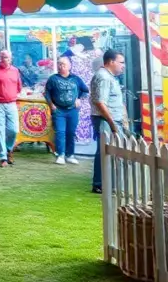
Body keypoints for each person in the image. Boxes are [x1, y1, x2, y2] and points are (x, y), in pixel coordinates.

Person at [90, 50, 129, 194]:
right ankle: (100, 183)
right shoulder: (104, 77)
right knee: (105, 151)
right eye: (121, 62)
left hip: (109, 119)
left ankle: (104, 183)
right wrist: (112, 124)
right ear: (111, 62)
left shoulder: (108, 76)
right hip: (105, 120)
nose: (123, 66)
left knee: (107, 151)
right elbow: (101, 102)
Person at [44, 56, 90, 165]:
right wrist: (51, 105)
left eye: (64, 64)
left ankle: (70, 155)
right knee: (60, 132)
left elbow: (85, 90)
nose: (61, 66)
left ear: (69, 66)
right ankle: (60, 154)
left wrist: (79, 98)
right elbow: (46, 93)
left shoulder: (76, 79)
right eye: (59, 63)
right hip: (59, 110)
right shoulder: (53, 79)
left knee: (71, 132)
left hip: (72, 110)